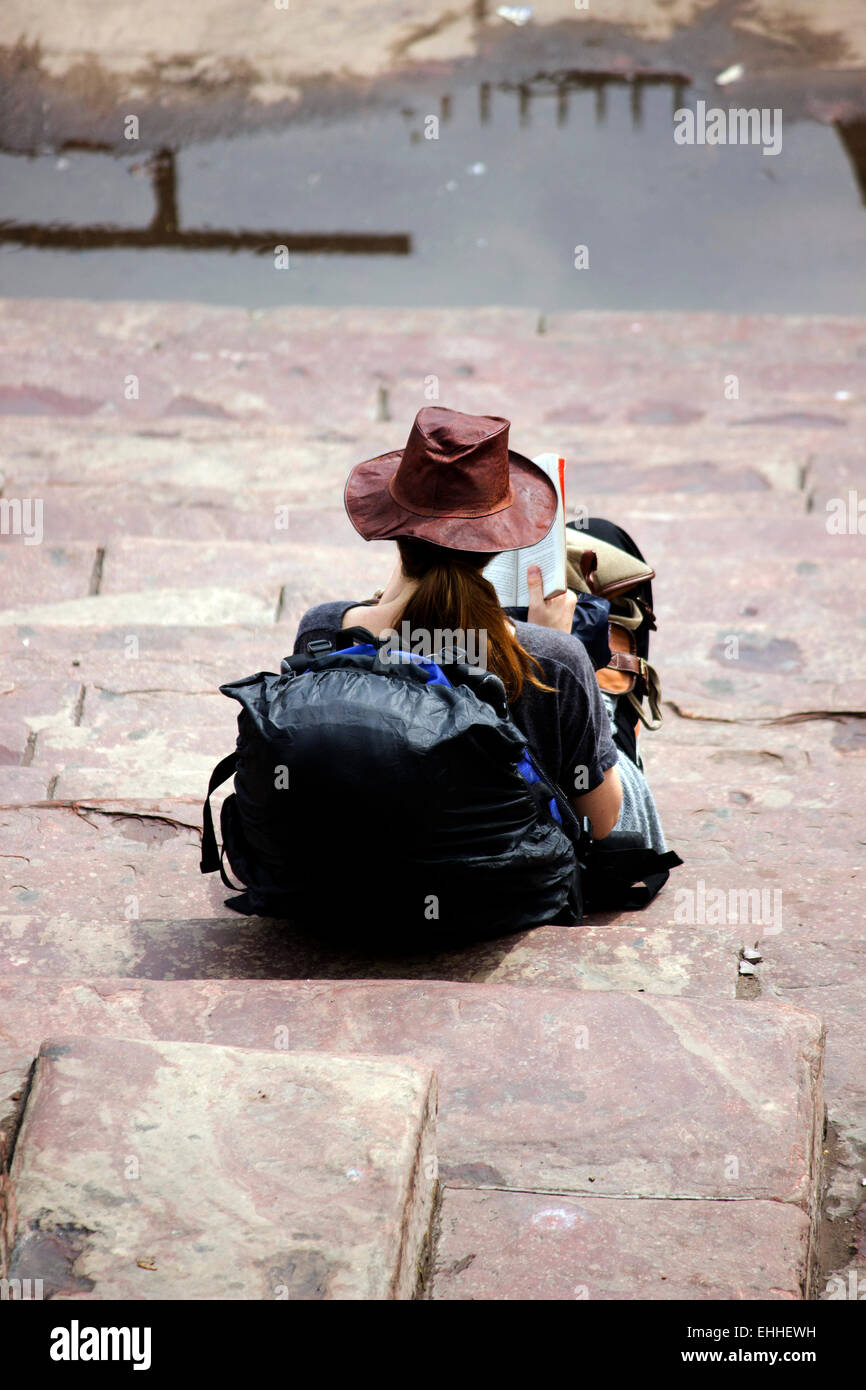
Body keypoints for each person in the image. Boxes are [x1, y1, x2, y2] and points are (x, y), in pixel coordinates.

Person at [293, 406, 664, 849]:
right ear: (498, 545)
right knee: (605, 538)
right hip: (502, 883)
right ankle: (608, 714)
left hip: (359, 865)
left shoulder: (323, 630)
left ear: (394, 530)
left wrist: (386, 602)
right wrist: (565, 648)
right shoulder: (554, 659)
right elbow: (600, 823)